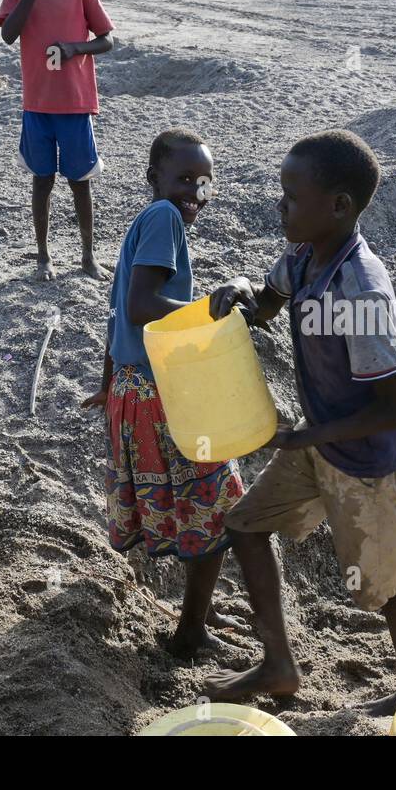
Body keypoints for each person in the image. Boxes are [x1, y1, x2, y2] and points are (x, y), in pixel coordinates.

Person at [204, 130, 396, 714]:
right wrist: (239, 295)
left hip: (371, 459)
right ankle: (279, 665)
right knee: (246, 525)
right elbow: (267, 305)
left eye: (291, 195)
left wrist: (303, 435)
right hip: (322, 436)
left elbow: (394, 407)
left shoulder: (361, 291)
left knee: (388, 583)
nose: (280, 205)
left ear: (339, 206)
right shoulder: (304, 256)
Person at [81, 128, 247, 658]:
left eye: (204, 184)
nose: (194, 193)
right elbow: (140, 305)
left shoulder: (148, 222)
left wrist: (107, 385)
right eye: (182, 180)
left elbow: (117, 314)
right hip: (158, 394)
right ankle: (190, 633)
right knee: (219, 504)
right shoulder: (163, 218)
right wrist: (210, 310)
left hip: (133, 389)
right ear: (154, 178)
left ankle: (200, 609)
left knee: (197, 502)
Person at [0, 0, 114, 281]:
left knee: (80, 182)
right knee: (41, 180)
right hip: (37, 105)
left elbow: (107, 39)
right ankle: (44, 256)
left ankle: (88, 256)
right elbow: (8, 34)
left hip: (75, 105)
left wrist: (75, 49)